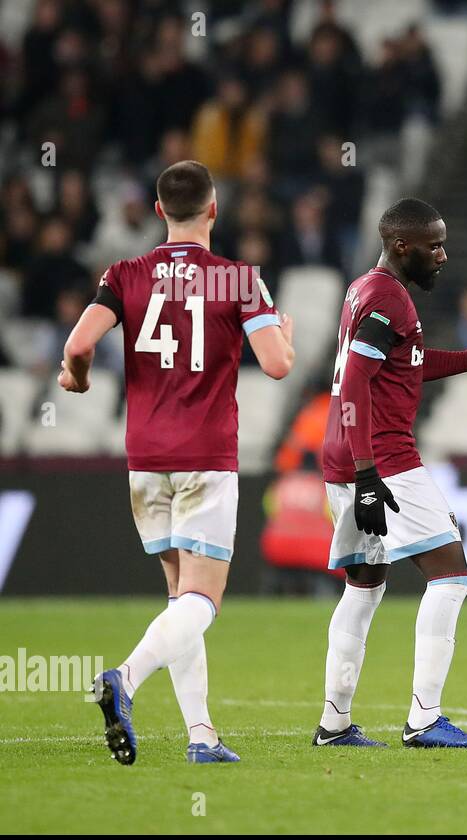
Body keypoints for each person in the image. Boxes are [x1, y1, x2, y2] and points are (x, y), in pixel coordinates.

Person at [60, 159, 296, 765]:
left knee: (179, 596)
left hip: (145, 456)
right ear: (215, 210)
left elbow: (79, 344)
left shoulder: (126, 273)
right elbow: (276, 365)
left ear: (160, 211)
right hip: (206, 455)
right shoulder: (238, 280)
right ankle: (125, 679)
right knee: (204, 599)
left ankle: (202, 736)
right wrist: (286, 337)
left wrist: (77, 380)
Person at [314, 198, 467, 749]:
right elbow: (355, 382)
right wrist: (369, 473)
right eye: (435, 245)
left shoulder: (365, 288)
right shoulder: (386, 298)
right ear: (403, 246)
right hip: (382, 459)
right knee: (451, 576)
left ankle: (333, 724)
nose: (443, 256)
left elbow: (409, 367)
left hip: (344, 456)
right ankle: (424, 719)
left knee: (365, 587)